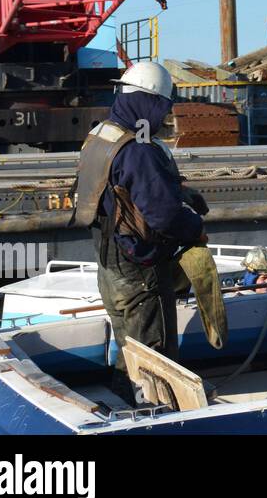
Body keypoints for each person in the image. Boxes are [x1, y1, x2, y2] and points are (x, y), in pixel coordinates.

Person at [73, 61, 209, 396]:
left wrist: (179, 191)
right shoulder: (138, 149)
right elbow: (164, 216)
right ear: (150, 101)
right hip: (140, 269)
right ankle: (152, 414)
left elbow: (118, 189)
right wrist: (195, 228)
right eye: (163, 107)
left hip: (109, 264)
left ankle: (124, 402)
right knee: (153, 357)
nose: (164, 116)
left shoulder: (102, 134)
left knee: (129, 346)